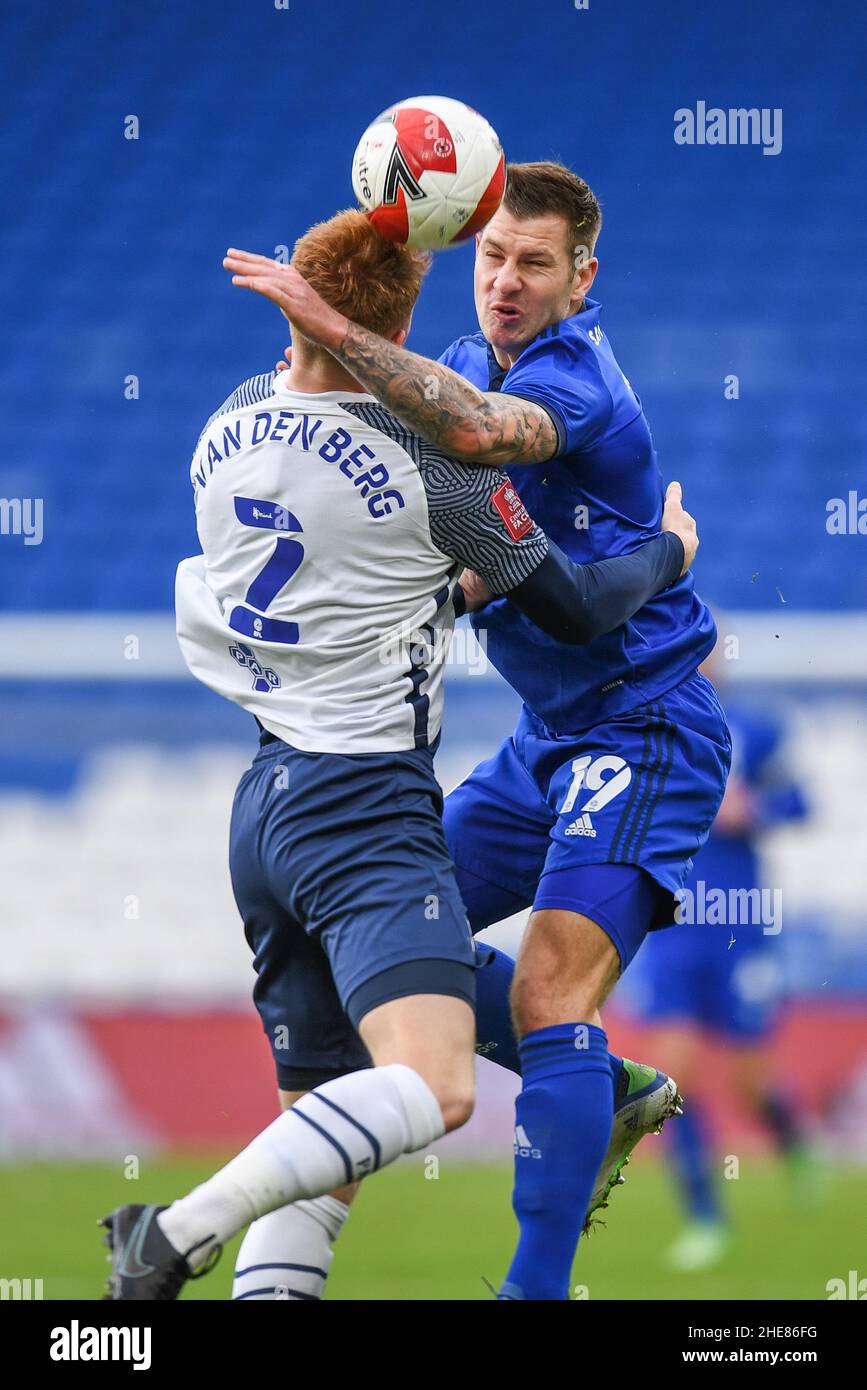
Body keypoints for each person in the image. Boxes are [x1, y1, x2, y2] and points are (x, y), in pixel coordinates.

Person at [99, 207, 697, 1300]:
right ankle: (174, 1230)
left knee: (351, 1096)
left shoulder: (229, 420)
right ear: (404, 316)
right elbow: (563, 591)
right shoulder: (434, 455)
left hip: (279, 796)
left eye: (533, 261)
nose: (504, 279)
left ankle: (541, 1255)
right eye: (491, 256)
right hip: (369, 802)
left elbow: (399, 507)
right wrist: (670, 549)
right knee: (429, 1083)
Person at [631, 643, 810, 1270]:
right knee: (672, 1079)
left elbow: (800, 803)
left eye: (709, 654)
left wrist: (752, 808)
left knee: (750, 1082)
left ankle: (792, 1142)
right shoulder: (651, 735)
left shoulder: (755, 730)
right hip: (676, 931)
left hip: (740, 931)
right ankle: (706, 1217)